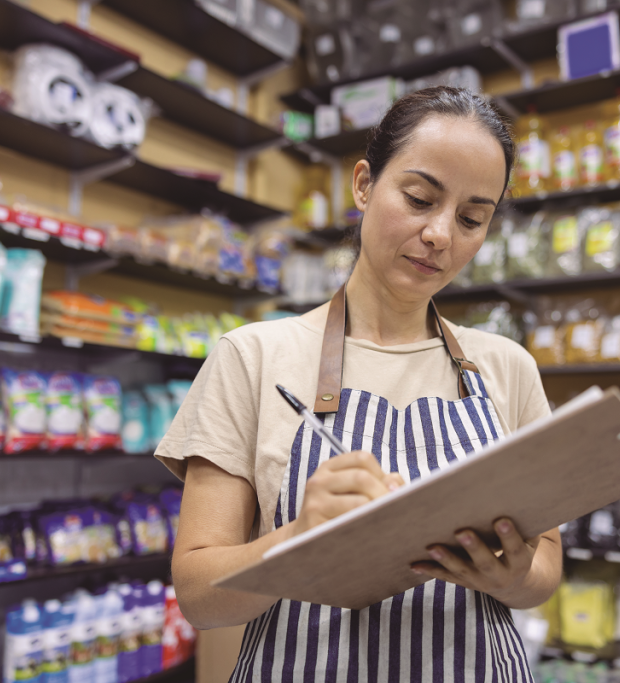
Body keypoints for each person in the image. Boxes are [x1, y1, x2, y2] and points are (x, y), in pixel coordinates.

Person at [157, 86, 561, 682]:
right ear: (365, 185)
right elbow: (197, 593)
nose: (441, 235)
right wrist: (297, 542)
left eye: (473, 218)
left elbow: (545, 568)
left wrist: (514, 578)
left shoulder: (506, 368)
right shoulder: (254, 356)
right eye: (420, 199)